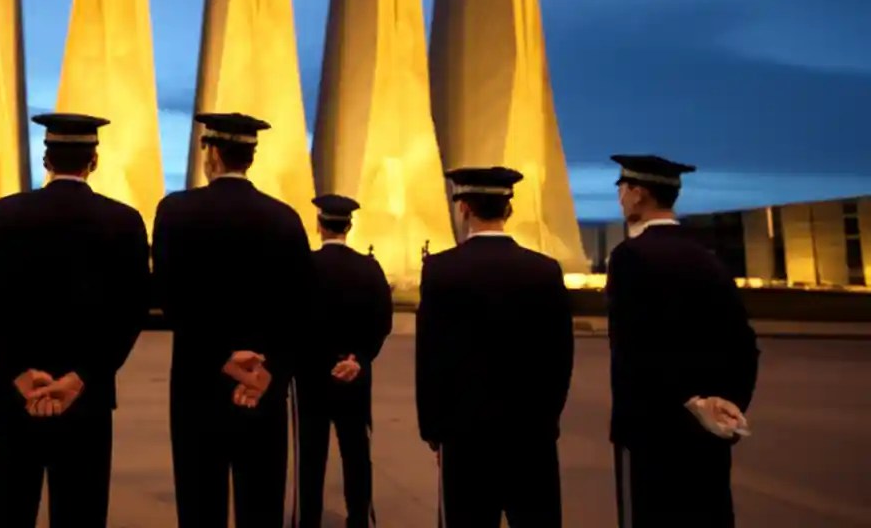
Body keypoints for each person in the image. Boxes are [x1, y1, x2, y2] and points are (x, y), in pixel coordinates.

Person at [0, 113, 151, 528]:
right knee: (80, 512)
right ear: (94, 161)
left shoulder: (5, 214)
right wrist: (82, 376)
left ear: (46, 159)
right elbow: (131, 311)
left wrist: (17, 371)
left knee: (5, 511)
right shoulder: (123, 221)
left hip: (16, 395)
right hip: (86, 396)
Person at [153, 112, 313, 528]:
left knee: (199, 504)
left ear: (211, 155)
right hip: (261, 386)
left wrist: (221, 358)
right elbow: (301, 308)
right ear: (250, 157)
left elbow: (169, 297)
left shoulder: (176, 211)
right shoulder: (284, 218)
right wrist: (269, 370)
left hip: (197, 385)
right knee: (261, 505)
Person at [416, 166, 574, 528]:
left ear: (464, 208)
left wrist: (434, 431)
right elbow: (560, 358)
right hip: (531, 435)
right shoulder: (544, 270)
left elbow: (431, 359)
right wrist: (547, 420)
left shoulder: (441, 270)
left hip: (465, 436)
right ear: (509, 209)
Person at [606, 155, 759, 527]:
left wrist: (686, 401)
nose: (620, 198)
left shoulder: (629, 257)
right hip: (708, 433)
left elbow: (633, 351)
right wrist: (726, 403)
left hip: (650, 432)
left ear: (639, 194)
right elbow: (743, 343)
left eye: (623, 189)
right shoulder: (707, 258)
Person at [292, 194, 393, 528]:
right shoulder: (369, 268)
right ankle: (359, 518)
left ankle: (308, 519)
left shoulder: (303, 266)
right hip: (354, 373)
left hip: (310, 374)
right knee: (356, 453)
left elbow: (289, 320)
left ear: (319, 225)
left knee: (310, 454)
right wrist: (360, 358)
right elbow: (382, 320)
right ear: (349, 226)